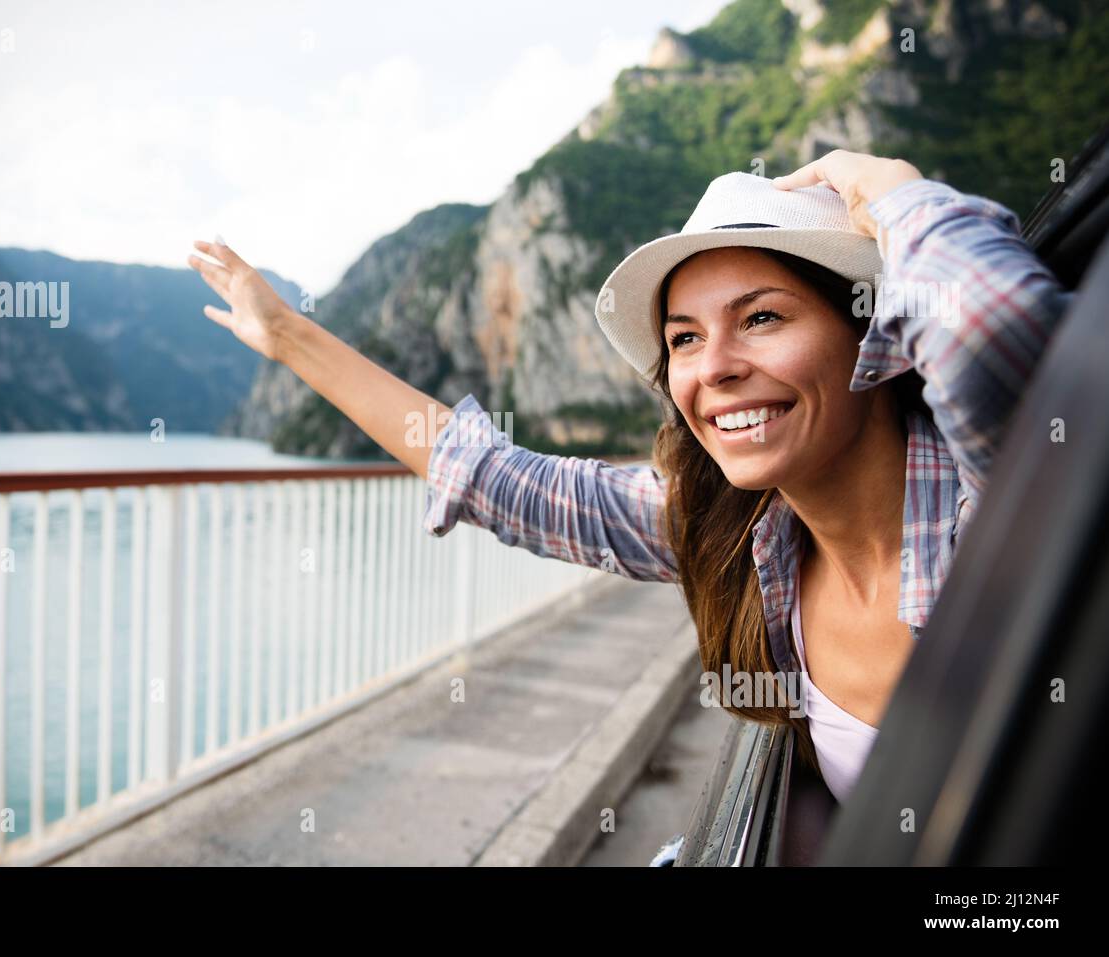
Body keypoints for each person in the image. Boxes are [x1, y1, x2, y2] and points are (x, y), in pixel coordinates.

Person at [187, 150, 1074, 805]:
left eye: (760, 317)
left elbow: (1015, 349)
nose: (712, 368)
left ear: (872, 339)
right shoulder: (739, 533)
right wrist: (291, 337)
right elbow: (502, 478)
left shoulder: (993, 503)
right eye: (684, 337)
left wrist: (901, 194)